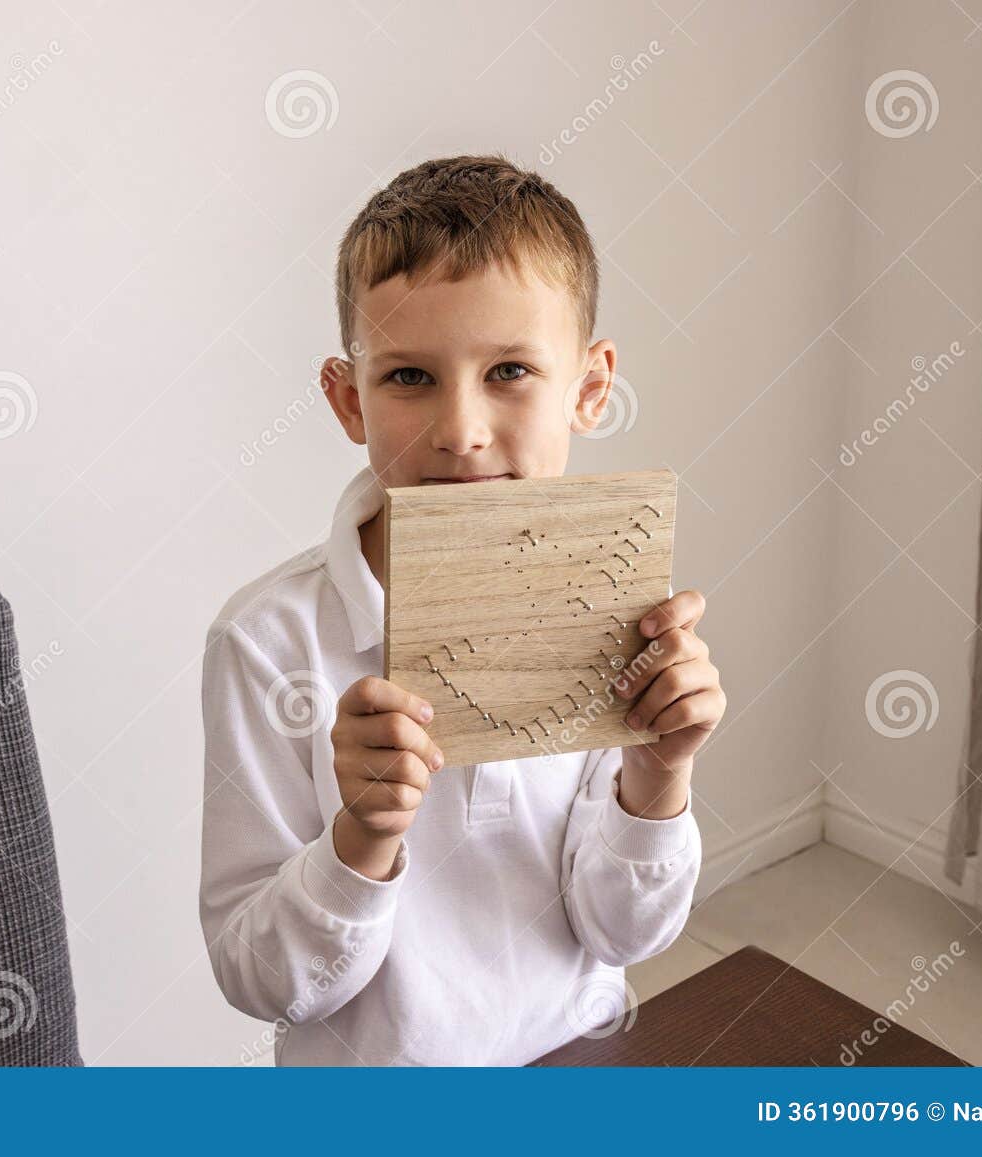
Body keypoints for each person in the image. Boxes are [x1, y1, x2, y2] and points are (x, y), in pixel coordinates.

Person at [200, 154, 726, 1065]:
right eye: (408, 377)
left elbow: (624, 935)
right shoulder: (265, 642)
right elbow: (261, 983)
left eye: (511, 369)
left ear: (590, 388)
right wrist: (359, 838)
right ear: (346, 397)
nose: (462, 430)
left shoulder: (616, 614)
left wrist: (660, 775)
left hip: (576, 1058)